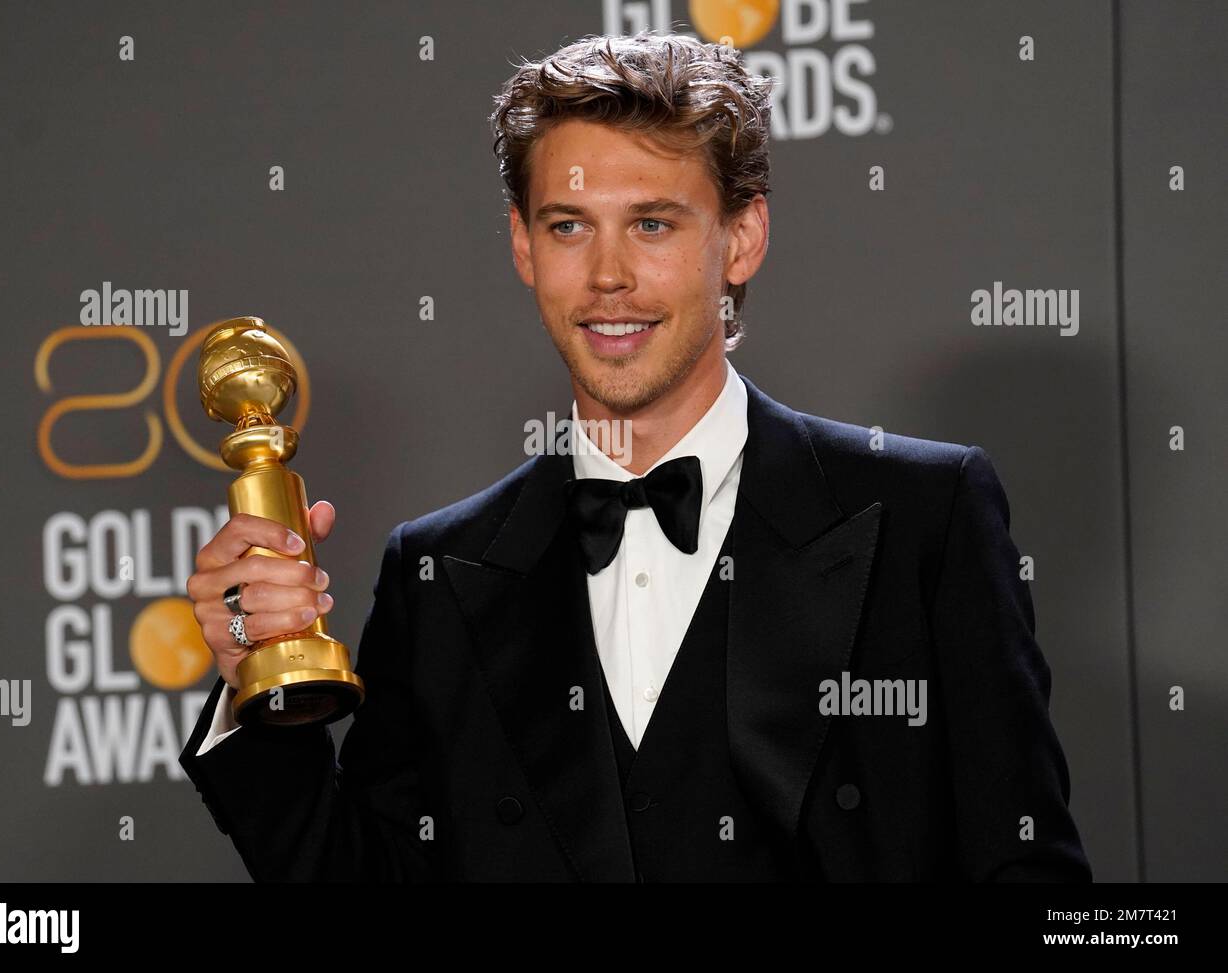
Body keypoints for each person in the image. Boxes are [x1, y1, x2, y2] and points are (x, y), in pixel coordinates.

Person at [179, 31, 1091, 882]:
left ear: (742, 239)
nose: (607, 276)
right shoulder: (438, 573)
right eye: (568, 226)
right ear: (522, 247)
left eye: (652, 224)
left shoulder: (924, 518)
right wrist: (255, 688)